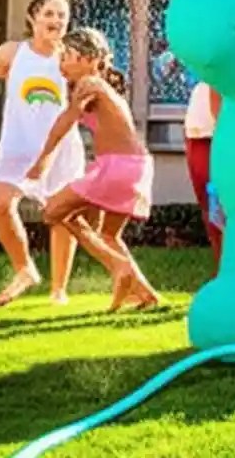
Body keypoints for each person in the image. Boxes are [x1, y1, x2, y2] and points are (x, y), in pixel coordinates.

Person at [0, 0, 86, 306]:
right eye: (49, 13)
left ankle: (59, 290)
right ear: (32, 18)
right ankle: (25, 269)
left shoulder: (69, 57)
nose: (57, 20)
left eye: (62, 15)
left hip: (60, 147)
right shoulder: (12, 52)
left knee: (62, 215)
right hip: (17, 144)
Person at [26, 27, 160, 310]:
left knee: (54, 211)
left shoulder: (90, 83)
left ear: (89, 59)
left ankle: (118, 267)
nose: (62, 65)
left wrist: (41, 162)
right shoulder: (99, 87)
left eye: (68, 57)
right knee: (108, 235)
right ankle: (145, 294)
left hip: (116, 167)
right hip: (137, 166)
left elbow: (66, 121)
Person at [184, 80, 222, 273]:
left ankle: (227, 268)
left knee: (219, 211)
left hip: (212, 143)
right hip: (198, 140)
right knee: (211, 212)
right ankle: (221, 269)